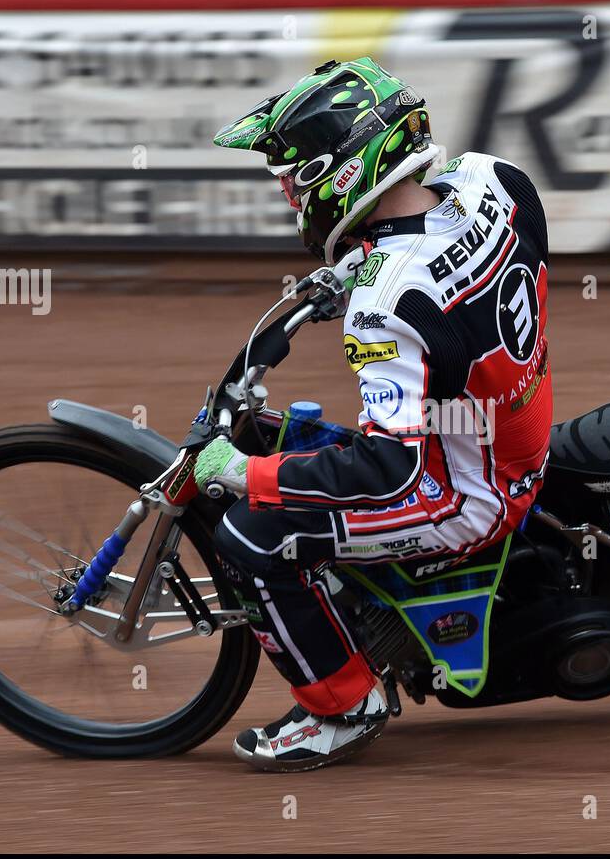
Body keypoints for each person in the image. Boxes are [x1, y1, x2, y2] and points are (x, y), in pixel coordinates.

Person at [198, 57, 552, 771]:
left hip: (464, 495)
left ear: (342, 171)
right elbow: (494, 263)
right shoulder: (497, 179)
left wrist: (247, 474)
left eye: (296, 179)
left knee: (251, 534)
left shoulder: (385, 305)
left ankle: (343, 708)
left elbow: (389, 467)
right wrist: (374, 261)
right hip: (505, 428)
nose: (292, 197)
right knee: (304, 449)